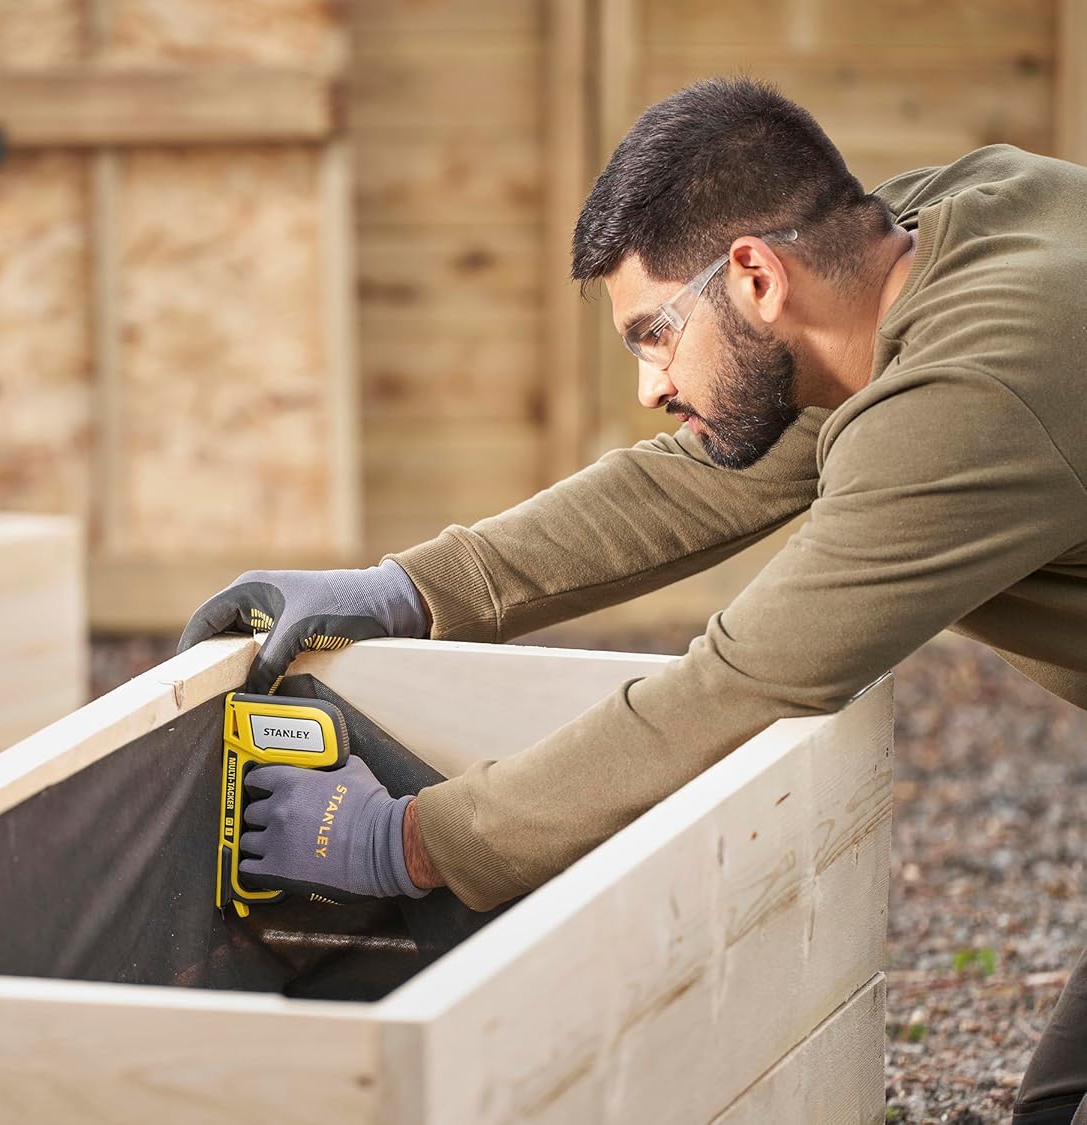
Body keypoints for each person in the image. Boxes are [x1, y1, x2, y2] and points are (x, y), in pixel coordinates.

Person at [177, 77, 1087, 1124]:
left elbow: (740, 685)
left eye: (655, 333)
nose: (651, 387)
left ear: (756, 275)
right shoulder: (942, 225)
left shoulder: (973, 398)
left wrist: (412, 841)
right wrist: (407, 590)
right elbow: (700, 480)